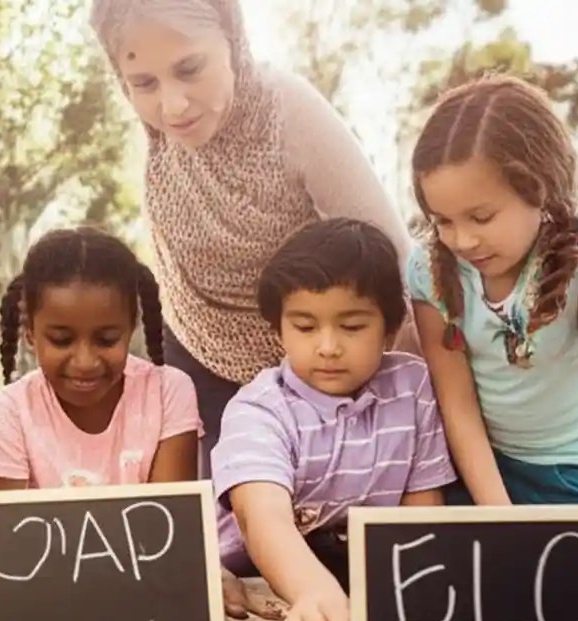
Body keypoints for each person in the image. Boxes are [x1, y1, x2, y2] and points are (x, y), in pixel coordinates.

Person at [87, 0, 420, 487]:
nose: (173, 104)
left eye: (190, 68)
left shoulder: (289, 111)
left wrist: (420, 399)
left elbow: (397, 264)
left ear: (233, 40)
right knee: (230, 532)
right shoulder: (158, 126)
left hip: (314, 360)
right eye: (144, 83)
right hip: (199, 356)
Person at [213, 218, 457, 621]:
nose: (327, 347)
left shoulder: (414, 389)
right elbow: (263, 518)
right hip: (259, 582)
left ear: (390, 328)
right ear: (279, 326)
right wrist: (313, 594)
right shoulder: (259, 409)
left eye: (351, 326)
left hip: (367, 577)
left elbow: (420, 518)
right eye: (304, 325)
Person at [407, 75, 578, 506]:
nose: (462, 240)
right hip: (477, 471)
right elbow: (457, 406)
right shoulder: (428, 270)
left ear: (541, 188)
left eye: (481, 217)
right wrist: (501, 518)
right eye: (443, 221)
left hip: (570, 472)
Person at [0, 227, 201, 490]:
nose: (85, 362)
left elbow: (169, 520)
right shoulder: (7, 416)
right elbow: (9, 528)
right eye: (62, 340)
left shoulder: (167, 394)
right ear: (30, 334)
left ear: (132, 327)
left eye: (106, 340)